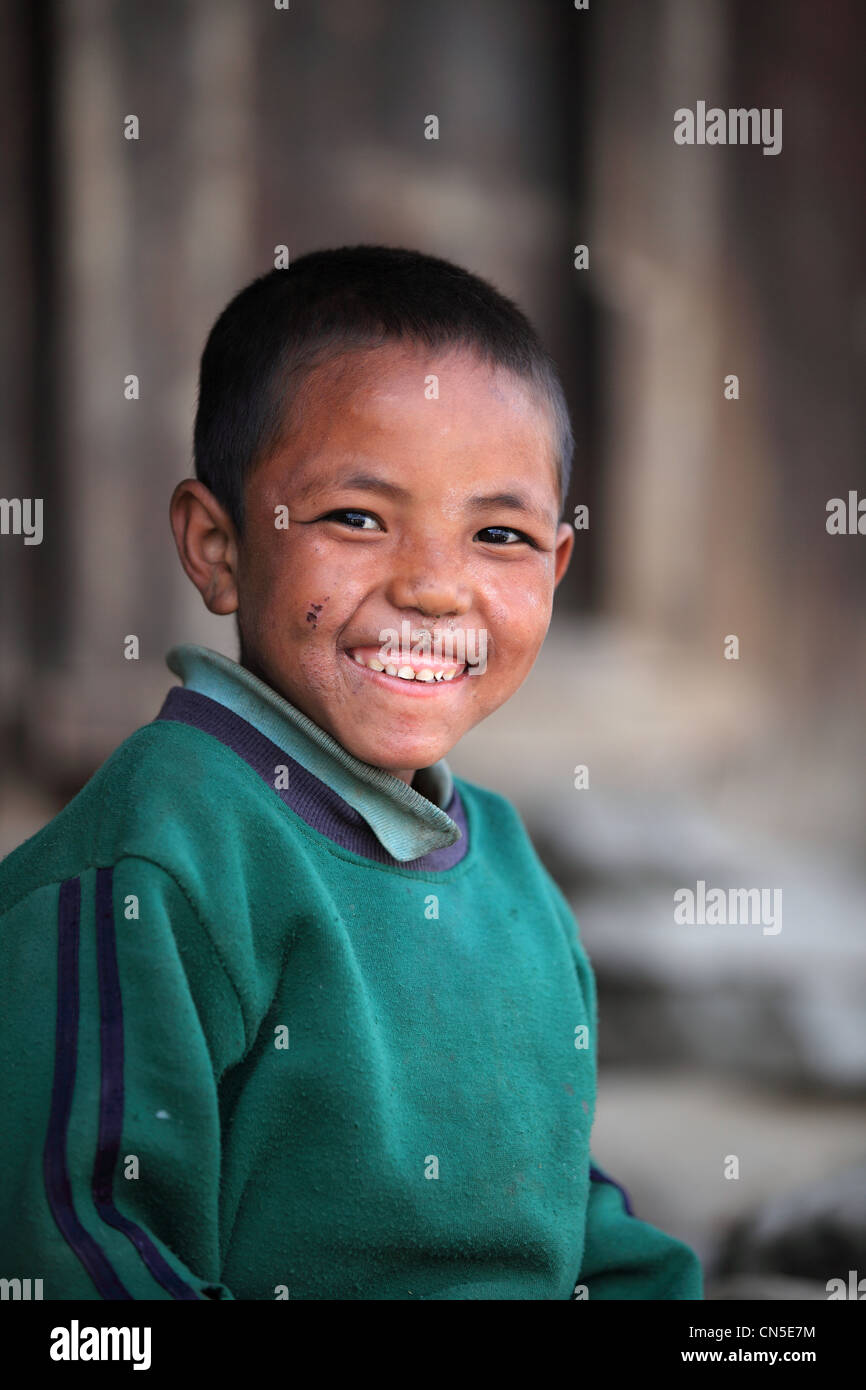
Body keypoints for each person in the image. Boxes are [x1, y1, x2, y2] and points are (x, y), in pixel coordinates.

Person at [0, 245, 702, 1299]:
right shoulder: (159, 852)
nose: (432, 586)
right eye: (357, 519)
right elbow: (79, 1257)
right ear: (217, 546)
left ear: (555, 568)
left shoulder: (509, 867)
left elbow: (564, 1218)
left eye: (497, 534)